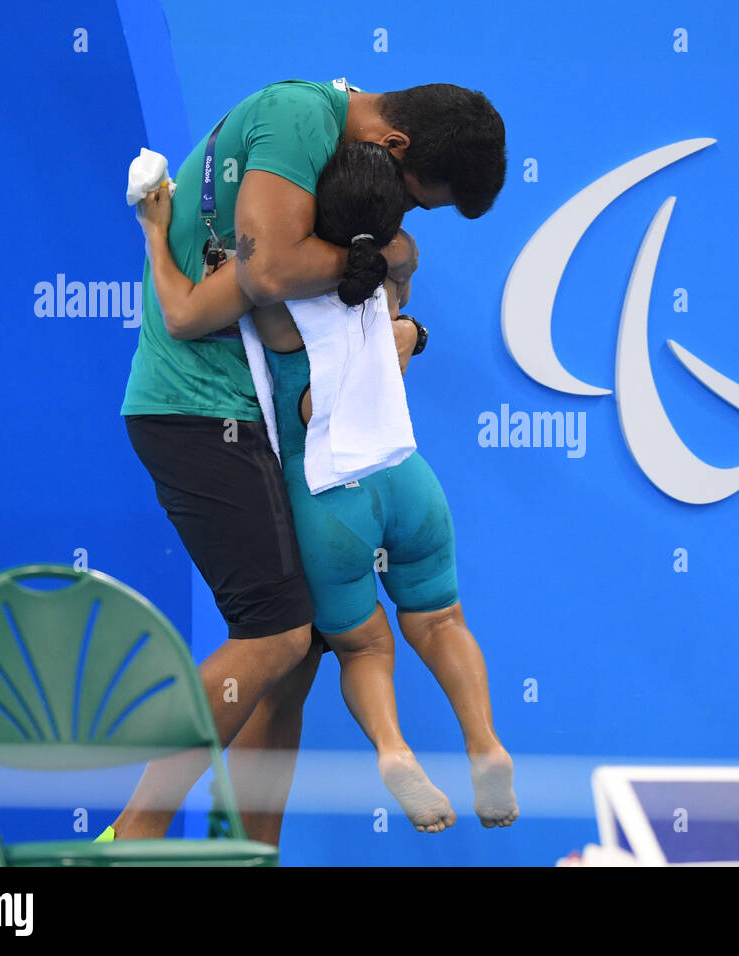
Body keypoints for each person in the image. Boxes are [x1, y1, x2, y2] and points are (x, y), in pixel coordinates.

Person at [111, 78, 506, 844]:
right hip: (209, 415)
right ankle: (136, 831)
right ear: (392, 158)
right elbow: (268, 270)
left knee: (311, 651)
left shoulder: (326, 185)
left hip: (296, 454)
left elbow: (198, 304)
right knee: (280, 639)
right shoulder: (309, 143)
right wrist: (392, 280)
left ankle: (253, 853)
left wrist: (154, 235)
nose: (411, 217)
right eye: (416, 201)